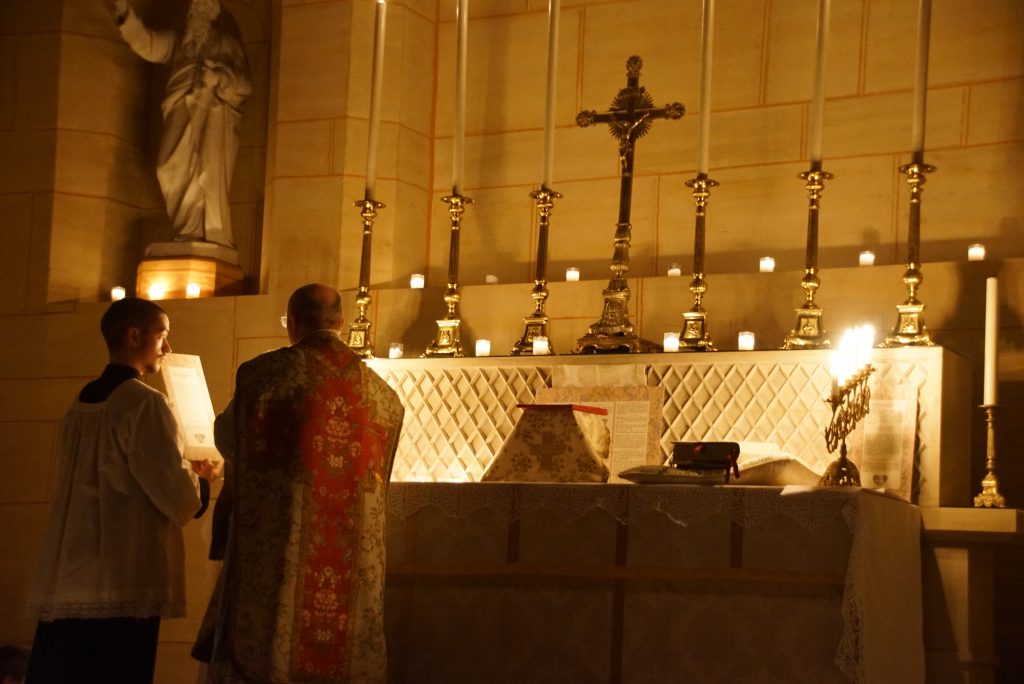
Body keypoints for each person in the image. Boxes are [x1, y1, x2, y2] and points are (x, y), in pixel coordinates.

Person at [199, 284, 404, 683]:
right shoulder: (384, 395)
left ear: (292, 322)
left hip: (281, 549)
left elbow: (228, 438)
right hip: (352, 555)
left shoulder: (263, 376)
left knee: (272, 644)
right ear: (342, 323)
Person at [25, 298, 220, 684]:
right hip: (122, 571)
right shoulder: (145, 403)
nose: (167, 348)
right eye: (162, 336)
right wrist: (202, 479)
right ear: (135, 336)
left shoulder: (80, 404)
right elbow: (172, 491)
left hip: (74, 568)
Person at [114, 0, 251, 248]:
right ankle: (187, 228)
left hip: (211, 119)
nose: (193, 14)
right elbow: (148, 43)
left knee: (205, 172)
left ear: (212, 14)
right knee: (167, 167)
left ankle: (199, 232)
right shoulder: (180, 43)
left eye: (200, 10)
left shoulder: (226, 44)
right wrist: (126, 15)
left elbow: (244, 84)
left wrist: (219, 79)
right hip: (179, 111)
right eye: (192, 11)